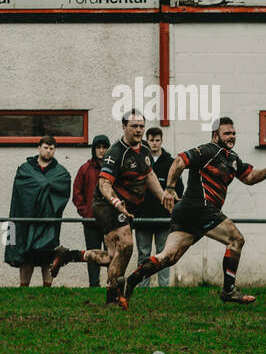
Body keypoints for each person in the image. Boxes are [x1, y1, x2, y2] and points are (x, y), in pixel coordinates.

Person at [120, 116, 266, 305]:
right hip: (200, 208)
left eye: (233, 133)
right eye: (227, 133)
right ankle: (229, 290)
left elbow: (250, 177)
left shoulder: (232, 159)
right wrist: (170, 188)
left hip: (187, 213)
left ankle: (129, 282)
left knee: (168, 257)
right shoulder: (208, 150)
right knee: (236, 239)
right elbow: (180, 160)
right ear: (216, 136)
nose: (232, 136)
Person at [50, 112, 173, 305]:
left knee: (112, 257)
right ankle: (113, 296)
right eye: (134, 126)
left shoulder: (145, 151)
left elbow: (149, 176)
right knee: (126, 245)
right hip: (107, 205)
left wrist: (163, 196)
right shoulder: (115, 152)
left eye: (141, 126)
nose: (139, 130)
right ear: (124, 127)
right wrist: (117, 204)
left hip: (125, 207)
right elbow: (104, 184)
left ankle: (68, 255)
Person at [6, 135, 71, 287]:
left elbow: (63, 191)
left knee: (48, 254)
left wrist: (44, 188)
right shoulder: (25, 169)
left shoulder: (60, 172)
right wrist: (42, 186)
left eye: (52, 149)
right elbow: (19, 194)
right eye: (46, 148)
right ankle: (24, 287)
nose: (48, 151)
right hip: (28, 220)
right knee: (26, 253)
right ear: (39, 148)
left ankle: (47, 288)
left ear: (55, 150)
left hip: (49, 221)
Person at [133, 127, 183, 288]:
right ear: (146, 140)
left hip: (164, 219)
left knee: (164, 255)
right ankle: (143, 287)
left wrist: (172, 210)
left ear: (161, 141)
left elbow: (179, 189)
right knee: (144, 254)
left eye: (157, 140)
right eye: (151, 140)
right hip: (142, 218)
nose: (154, 143)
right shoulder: (139, 161)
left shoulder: (170, 163)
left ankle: (164, 288)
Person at [71, 134, 112, 287]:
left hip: (110, 222)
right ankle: (93, 285)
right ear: (94, 149)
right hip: (91, 222)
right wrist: (86, 212)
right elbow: (77, 193)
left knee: (111, 255)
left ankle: (111, 284)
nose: (101, 151)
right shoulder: (85, 169)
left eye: (104, 147)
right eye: (98, 147)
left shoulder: (114, 169)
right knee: (93, 255)